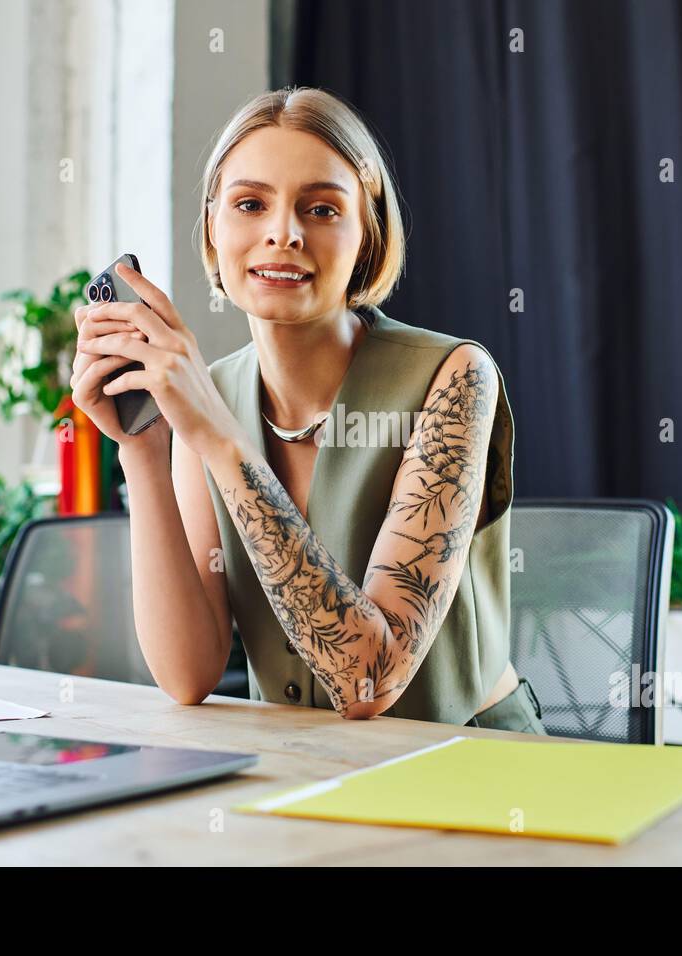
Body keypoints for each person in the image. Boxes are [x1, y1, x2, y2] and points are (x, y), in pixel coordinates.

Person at [71, 86, 545, 734]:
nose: (283, 233)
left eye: (321, 209)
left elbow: (368, 679)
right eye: (249, 204)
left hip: (473, 770)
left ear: (367, 232)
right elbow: (187, 674)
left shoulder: (455, 377)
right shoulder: (206, 397)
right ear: (213, 226)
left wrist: (216, 437)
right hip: (305, 772)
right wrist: (145, 450)